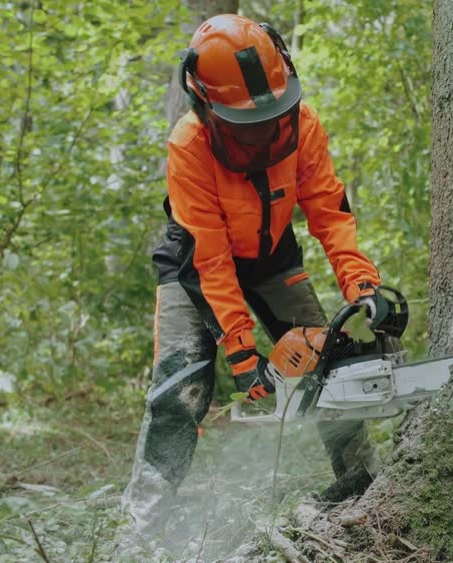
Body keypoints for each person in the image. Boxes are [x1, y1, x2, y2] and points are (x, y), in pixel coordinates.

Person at [122, 14, 389, 534]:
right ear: (205, 102)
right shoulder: (190, 143)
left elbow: (330, 213)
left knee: (329, 363)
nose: (265, 128)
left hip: (272, 258)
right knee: (179, 388)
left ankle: (369, 490)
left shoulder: (304, 125)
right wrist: (241, 350)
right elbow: (211, 256)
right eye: (249, 120)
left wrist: (362, 286)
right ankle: (140, 527)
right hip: (194, 265)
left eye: (272, 114)